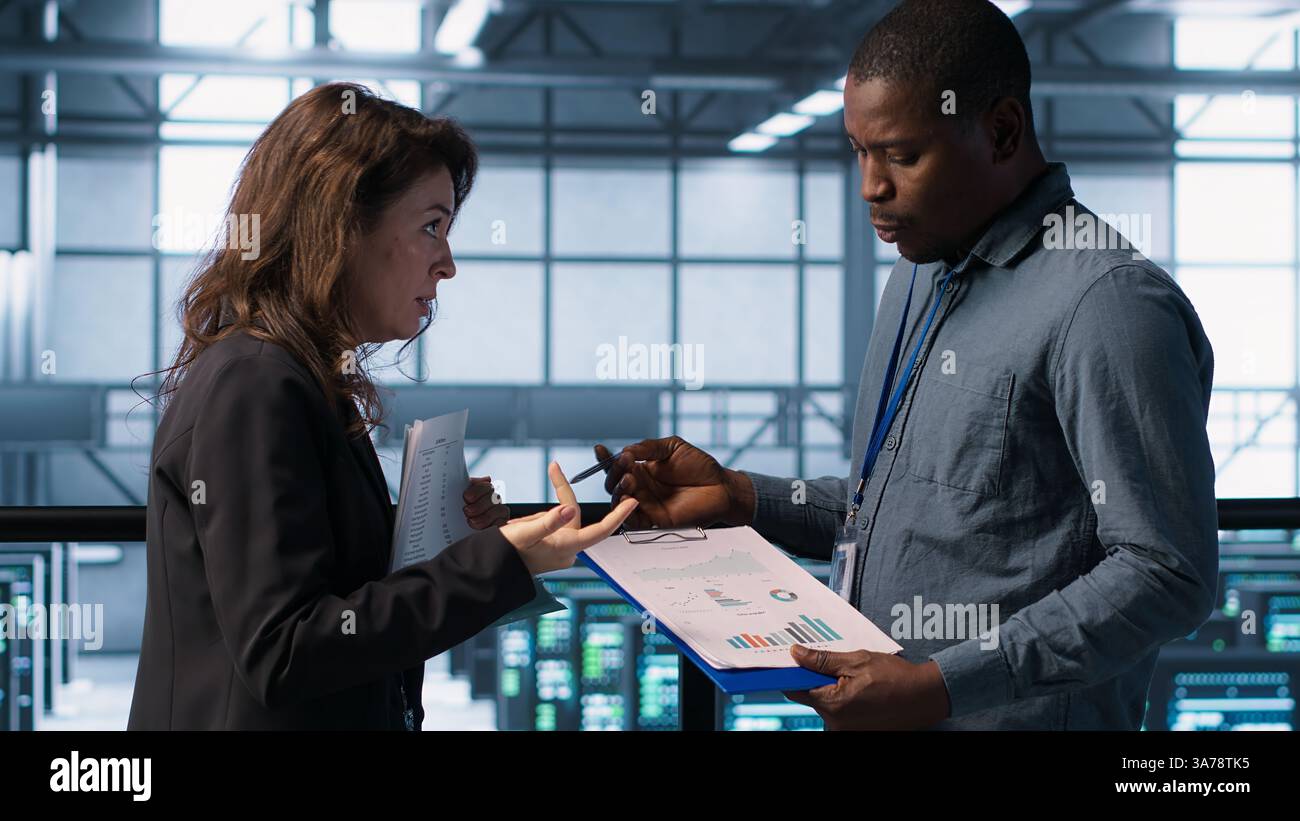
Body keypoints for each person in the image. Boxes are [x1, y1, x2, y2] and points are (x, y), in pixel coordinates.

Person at [595, 0, 1218, 730]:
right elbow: (904, 513)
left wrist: (941, 684)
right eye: (859, 150)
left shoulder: (1107, 305)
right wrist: (740, 496)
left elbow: (1167, 572)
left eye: (902, 154)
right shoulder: (921, 271)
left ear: (1002, 131)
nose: (870, 187)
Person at [128, 82, 636, 730]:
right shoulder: (255, 387)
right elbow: (284, 650)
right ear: (341, 228)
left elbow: (334, 601)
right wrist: (499, 562)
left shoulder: (297, 380)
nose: (447, 264)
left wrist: (454, 545)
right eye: (431, 227)